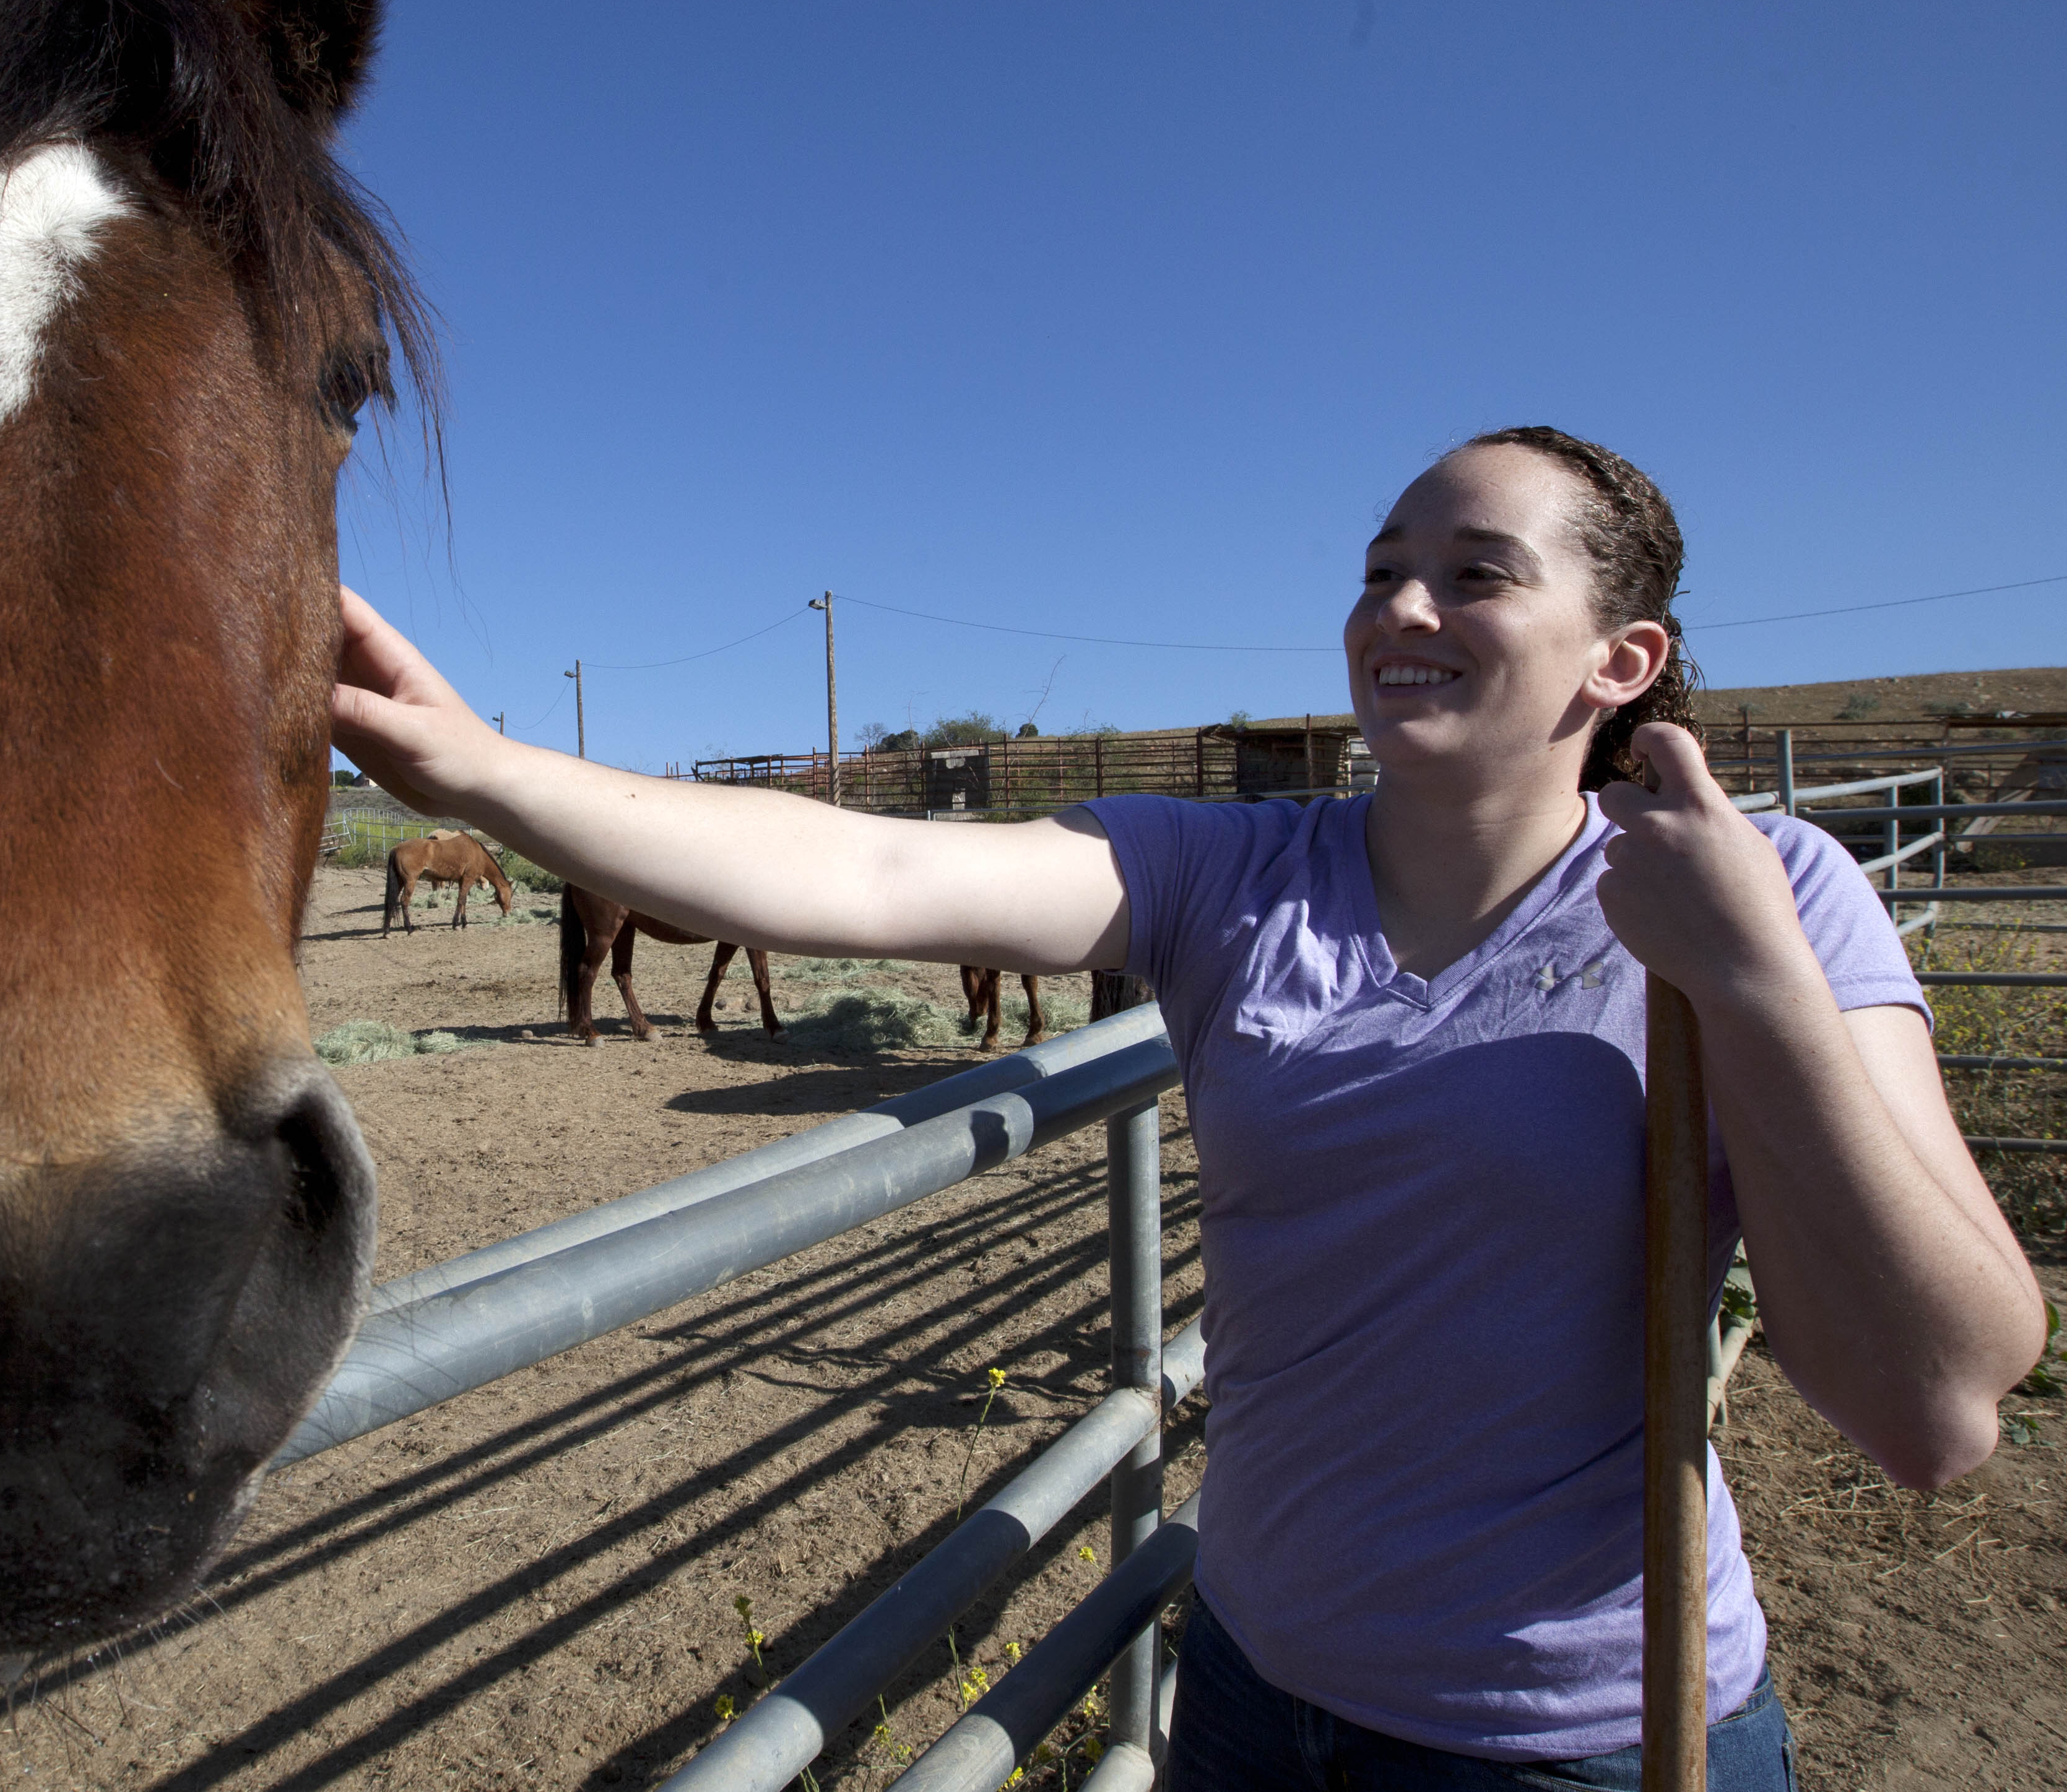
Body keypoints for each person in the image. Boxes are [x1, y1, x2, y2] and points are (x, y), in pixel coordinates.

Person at [327, 426, 2045, 1790]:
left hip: (1571, 1737)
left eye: (1472, 574)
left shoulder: (1769, 890)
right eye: (1379, 570)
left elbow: (1929, 1407)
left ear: (1619, 656)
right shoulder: (1232, 878)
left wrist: (1748, 985)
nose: (1400, 608)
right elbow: (856, 861)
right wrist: (486, 769)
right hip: (1245, 1695)